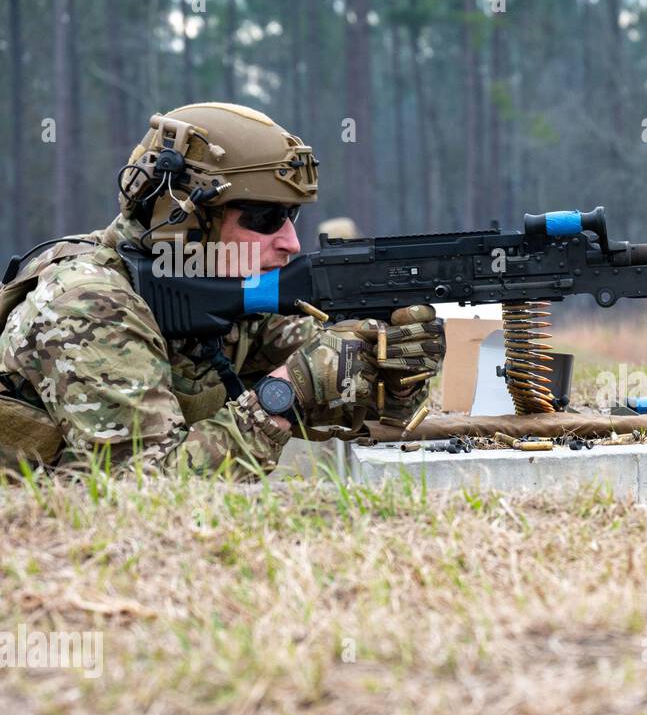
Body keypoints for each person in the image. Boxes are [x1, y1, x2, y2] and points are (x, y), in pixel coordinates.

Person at [0, 103, 444, 478]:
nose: (290, 242)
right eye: (265, 219)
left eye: (292, 217)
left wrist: (394, 372)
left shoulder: (223, 293)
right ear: (184, 218)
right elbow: (146, 487)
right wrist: (286, 393)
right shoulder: (86, 303)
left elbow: (343, 394)